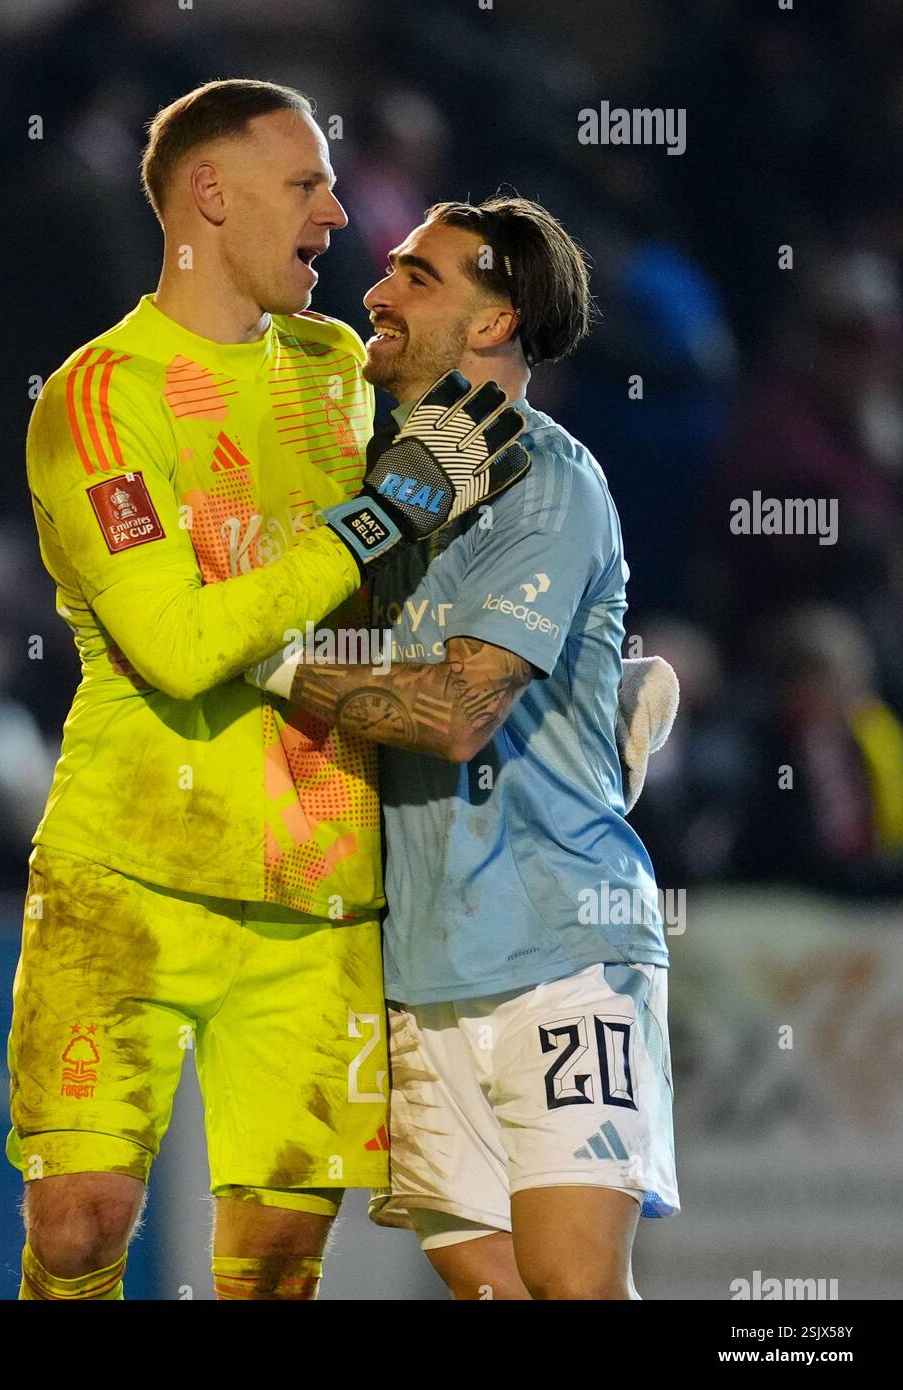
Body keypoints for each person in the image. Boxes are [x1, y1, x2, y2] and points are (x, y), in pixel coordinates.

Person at [7, 80, 527, 1302]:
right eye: (306, 186)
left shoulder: (336, 366)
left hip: (319, 877)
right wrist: (377, 515)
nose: (338, 216)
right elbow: (179, 645)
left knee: (279, 1262)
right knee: (80, 1223)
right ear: (210, 194)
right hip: (128, 869)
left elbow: (465, 486)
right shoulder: (99, 398)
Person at [248, 196, 679, 1299]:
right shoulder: (378, 470)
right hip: (419, 965)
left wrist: (261, 659)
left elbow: (452, 718)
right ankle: (607, 719)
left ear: (494, 323)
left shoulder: (547, 480)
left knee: (574, 1283)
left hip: (562, 947)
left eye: (417, 277)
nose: (375, 292)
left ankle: (604, 732)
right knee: (493, 1288)